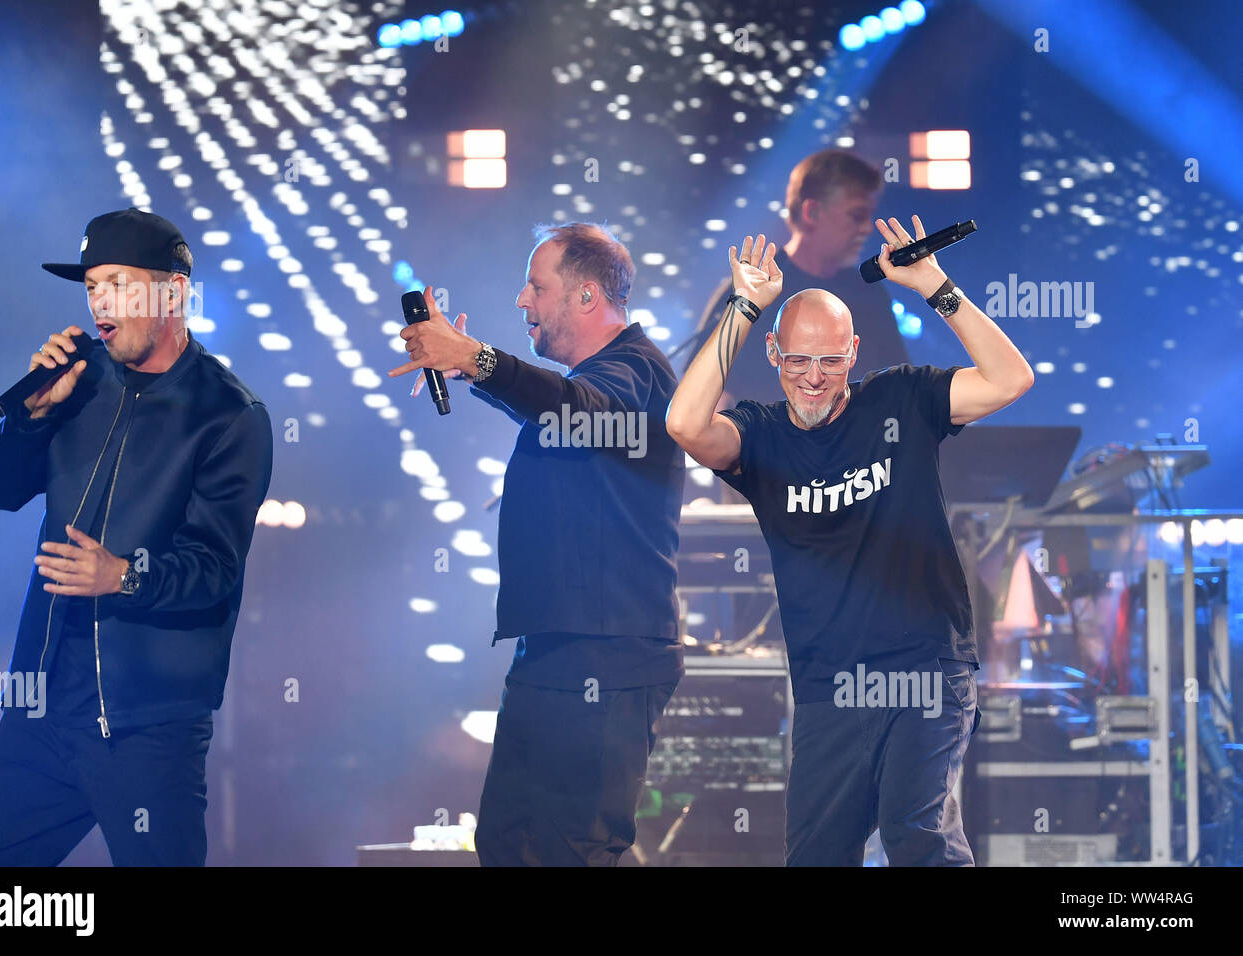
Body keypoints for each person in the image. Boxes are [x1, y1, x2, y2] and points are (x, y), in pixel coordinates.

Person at [666, 219, 1033, 866]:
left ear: (854, 353)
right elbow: (684, 423)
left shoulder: (901, 399)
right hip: (829, 689)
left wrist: (934, 285)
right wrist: (744, 307)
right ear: (774, 354)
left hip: (925, 672)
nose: (813, 377)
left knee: (916, 835)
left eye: (830, 361)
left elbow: (1010, 379)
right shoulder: (761, 435)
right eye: (798, 361)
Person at [0, 207, 273, 866]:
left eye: (119, 284)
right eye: (92, 286)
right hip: (42, 708)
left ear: (173, 292)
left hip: (145, 725)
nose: (100, 302)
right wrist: (30, 420)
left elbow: (214, 567)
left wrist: (123, 576)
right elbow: (0, 490)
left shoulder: (227, 415)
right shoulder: (76, 381)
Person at [390, 223, 684, 866]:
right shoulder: (598, 380)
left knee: (573, 848)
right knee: (508, 843)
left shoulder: (640, 372)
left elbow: (578, 411)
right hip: (553, 648)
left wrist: (478, 358)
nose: (522, 300)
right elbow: (556, 412)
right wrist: (469, 368)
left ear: (586, 295)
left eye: (536, 287)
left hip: (609, 653)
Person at [685, 149, 910, 406]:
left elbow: (898, 388)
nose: (867, 228)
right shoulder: (753, 289)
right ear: (811, 212)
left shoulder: (870, 292)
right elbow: (703, 398)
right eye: (856, 215)